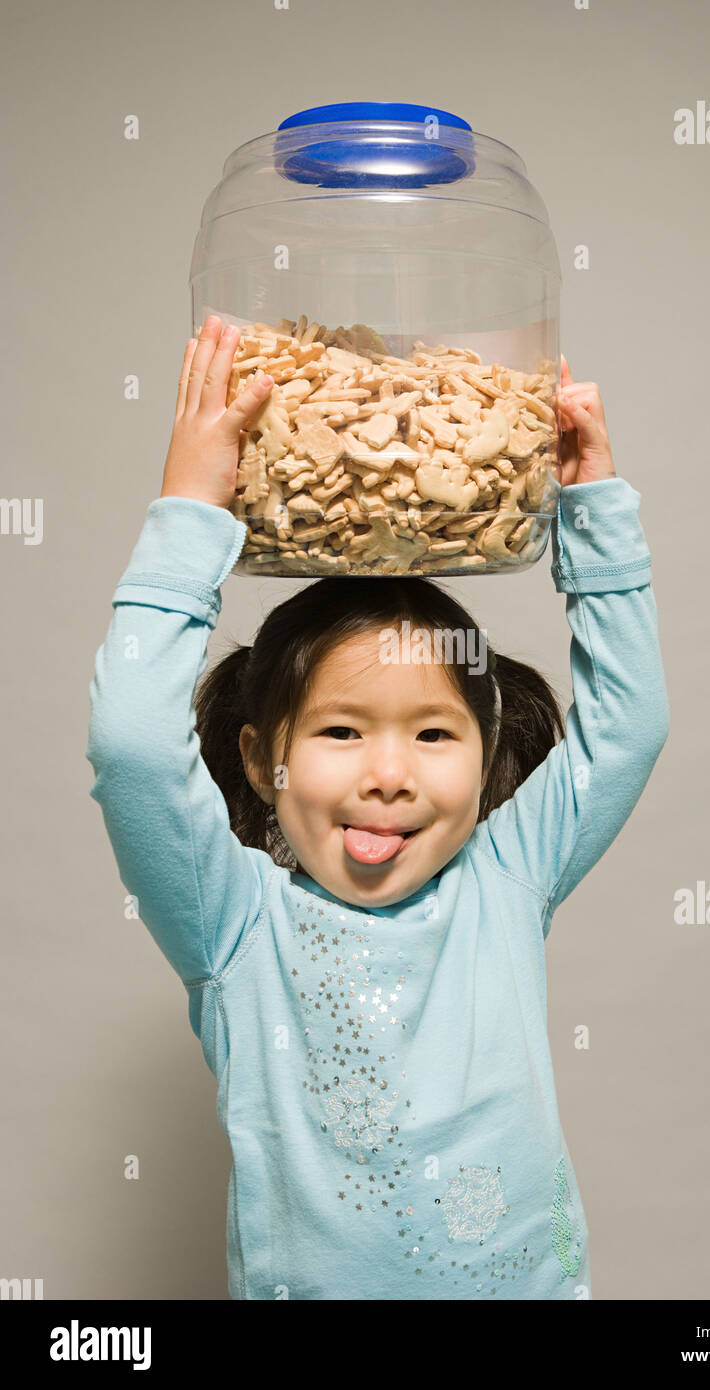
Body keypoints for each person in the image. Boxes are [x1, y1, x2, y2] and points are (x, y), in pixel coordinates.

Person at [86, 316, 669, 1300]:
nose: (388, 774)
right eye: (341, 731)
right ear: (261, 760)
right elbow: (134, 749)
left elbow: (627, 727)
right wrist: (190, 508)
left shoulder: (506, 877)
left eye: (434, 736)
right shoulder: (234, 925)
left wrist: (592, 514)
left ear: (489, 768)